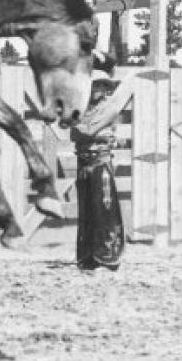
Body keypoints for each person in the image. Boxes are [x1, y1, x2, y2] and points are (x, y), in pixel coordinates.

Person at [71, 70, 125, 271]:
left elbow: (84, 131)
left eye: (101, 85)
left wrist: (79, 128)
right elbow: (75, 133)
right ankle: (88, 256)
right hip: (84, 161)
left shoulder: (109, 109)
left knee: (104, 209)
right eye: (94, 85)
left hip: (99, 161)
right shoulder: (85, 109)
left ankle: (108, 256)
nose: (96, 89)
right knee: (87, 210)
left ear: (106, 89)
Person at [81, 0, 116, 74]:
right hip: (78, 53)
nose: (85, 6)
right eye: (83, 4)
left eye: (88, 4)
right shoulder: (75, 21)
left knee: (111, 61)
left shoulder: (95, 20)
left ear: (94, 7)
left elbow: (96, 40)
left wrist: (98, 52)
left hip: (90, 52)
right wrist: (94, 52)